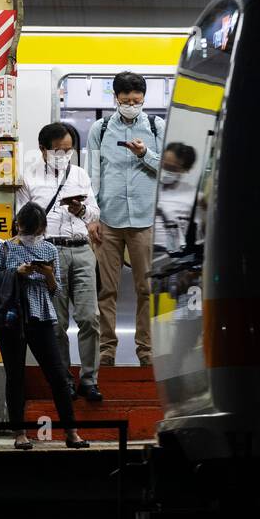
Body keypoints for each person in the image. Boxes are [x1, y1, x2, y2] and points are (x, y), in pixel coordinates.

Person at [0, 202, 89, 450]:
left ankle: (71, 432)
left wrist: (48, 274)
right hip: (12, 319)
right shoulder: (3, 247)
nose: (32, 236)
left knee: (58, 374)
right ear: (18, 225)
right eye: (27, 230)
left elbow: (57, 291)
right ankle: (20, 433)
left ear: (43, 228)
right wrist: (17, 273)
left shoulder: (49, 249)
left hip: (41, 317)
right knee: (15, 377)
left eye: (36, 231)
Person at [16, 123, 103, 400]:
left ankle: (89, 379)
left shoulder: (79, 174)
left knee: (90, 318)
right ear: (43, 150)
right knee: (56, 323)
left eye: (69, 150)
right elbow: (23, 220)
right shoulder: (28, 178)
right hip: (49, 252)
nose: (64, 154)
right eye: (58, 150)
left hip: (82, 250)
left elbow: (94, 214)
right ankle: (63, 378)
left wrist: (81, 208)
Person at [86, 71, 163, 367]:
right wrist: (91, 217)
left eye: (137, 99)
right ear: (115, 98)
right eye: (126, 99)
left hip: (144, 220)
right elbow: (92, 175)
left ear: (143, 98)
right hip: (108, 219)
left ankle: (146, 351)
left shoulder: (157, 126)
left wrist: (146, 155)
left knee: (146, 289)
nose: (132, 104)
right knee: (107, 289)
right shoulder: (100, 129)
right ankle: (107, 350)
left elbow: (169, 170)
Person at [153, 142, 198, 257]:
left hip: (170, 257)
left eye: (172, 168)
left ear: (185, 169)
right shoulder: (148, 186)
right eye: (164, 165)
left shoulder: (193, 195)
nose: (166, 170)